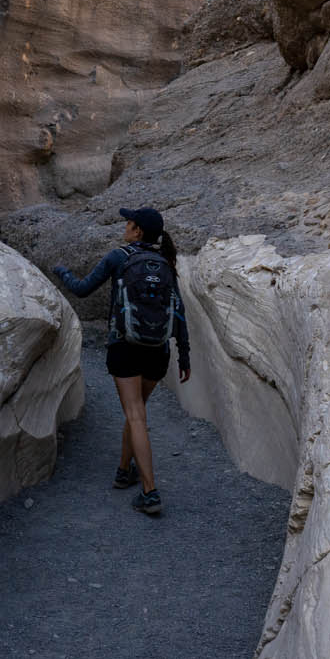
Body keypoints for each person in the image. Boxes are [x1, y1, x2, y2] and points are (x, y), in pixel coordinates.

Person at [54, 207, 191, 517]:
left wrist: (61, 272)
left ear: (137, 230)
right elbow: (179, 311)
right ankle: (122, 471)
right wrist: (184, 355)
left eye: (129, 223)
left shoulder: (119, 257)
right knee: (137, 412)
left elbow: (82, 289)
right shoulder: (165, 262)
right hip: (158, 351)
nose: (125, 226)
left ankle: (150, 492)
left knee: (135, 415)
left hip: (125, 346)